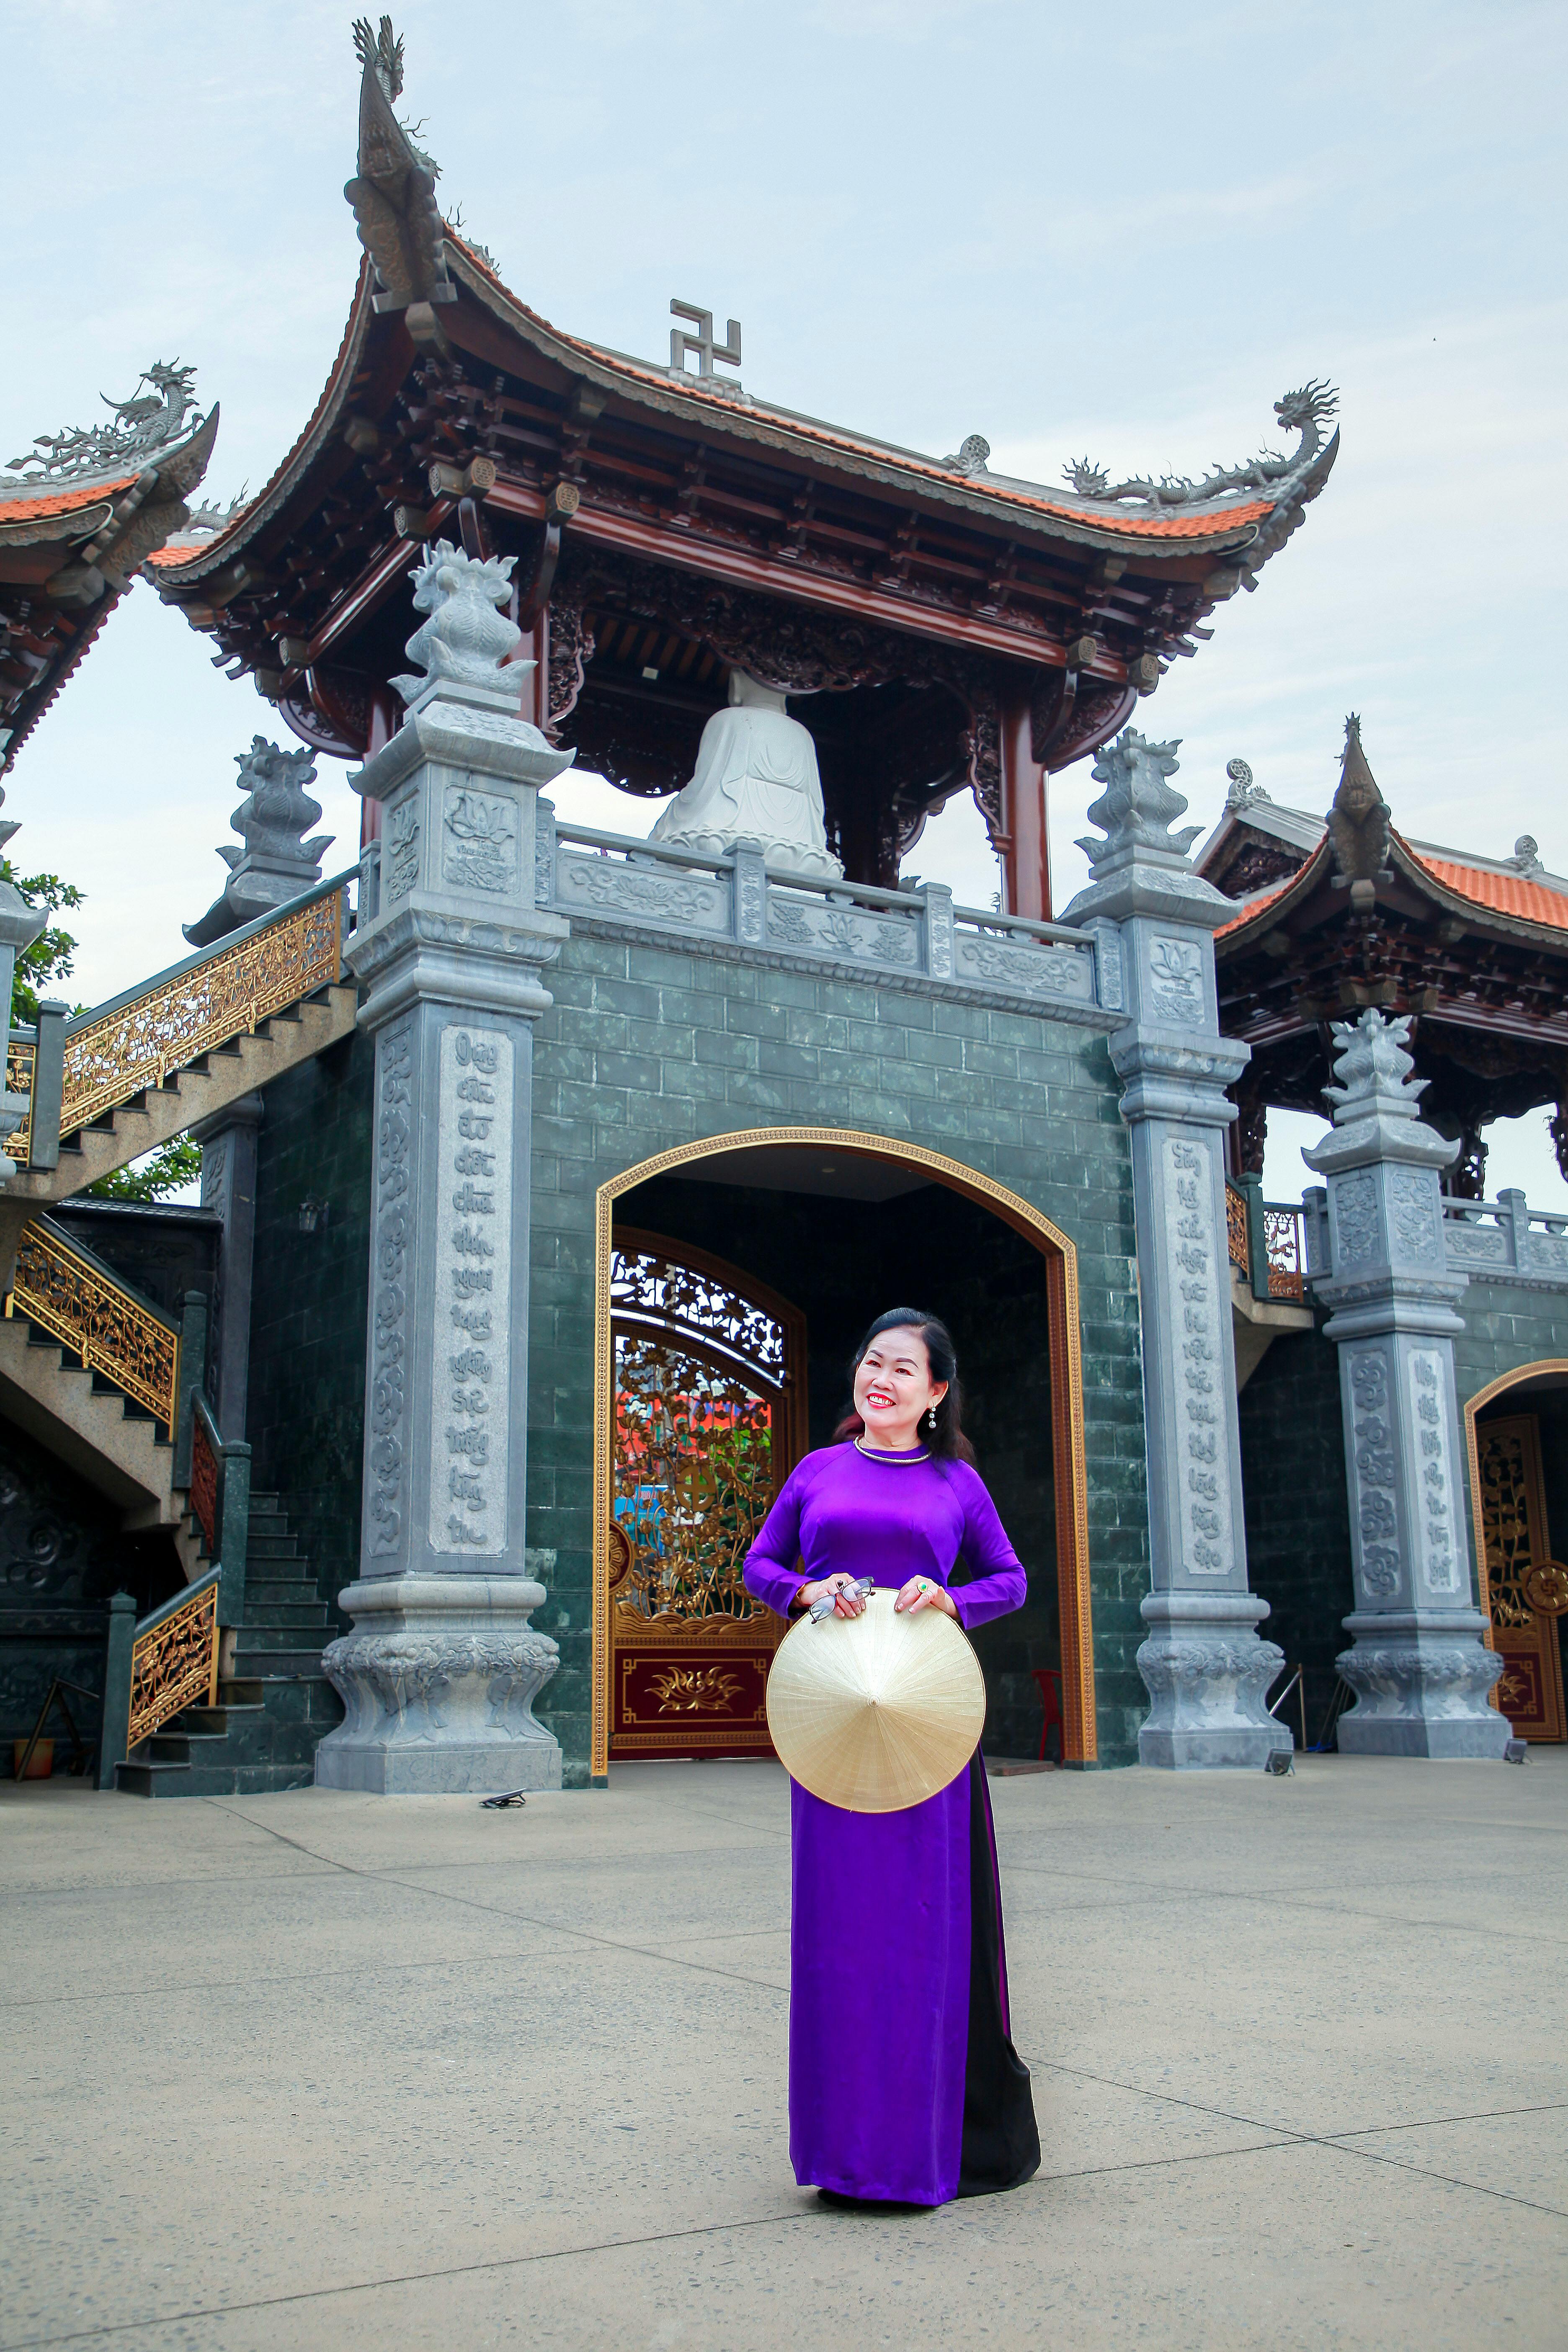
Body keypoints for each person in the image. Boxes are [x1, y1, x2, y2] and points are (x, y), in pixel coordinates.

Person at [743, 1308, 1041, 2208]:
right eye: (872, 1362)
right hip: (833, 1730)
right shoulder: (816, 1471)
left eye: (903, 1369)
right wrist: (805, 1590)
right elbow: (762, 1563)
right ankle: (843, 2157)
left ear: (937, 1392)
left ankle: (917, 2156)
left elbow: (1010, 1580)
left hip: (929, 1731)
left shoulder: (957, 1483)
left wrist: (949, 1601)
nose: (880, 1378)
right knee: (841, 1940)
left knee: (921, 1937)